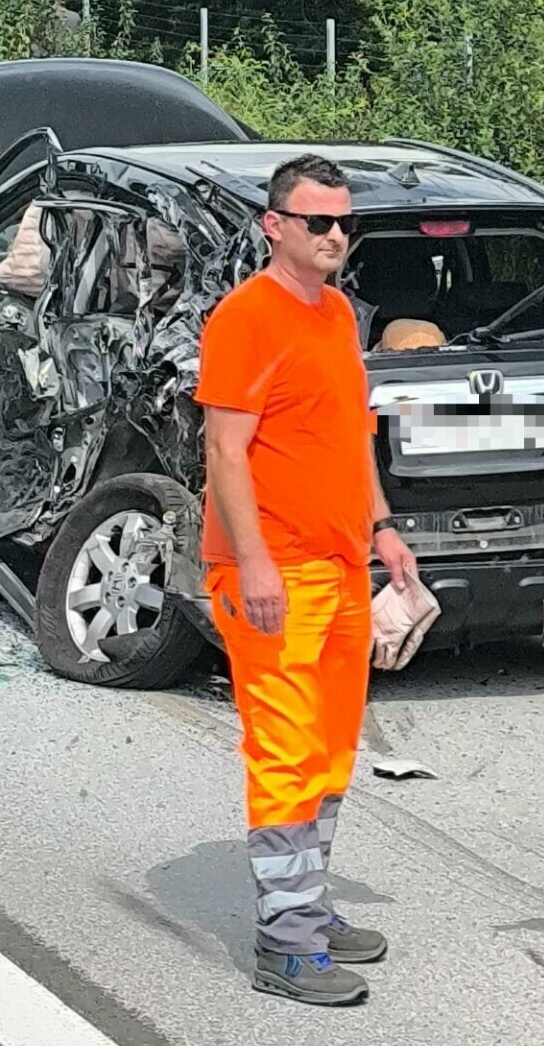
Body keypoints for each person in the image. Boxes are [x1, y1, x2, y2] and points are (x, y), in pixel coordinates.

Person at [195, 153, 419, 1007]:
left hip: (339, 566)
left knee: (329, 752)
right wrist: (251, 561)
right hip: (275, 570)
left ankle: (308, 908)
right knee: (287, 755)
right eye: (317, 221)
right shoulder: (247, 320)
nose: (334, 235)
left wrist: (385, 529)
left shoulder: (334, 318)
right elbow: (225, 449)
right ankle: (285, 945)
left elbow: (350, 439)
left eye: (343, 222)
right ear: (274, 226)